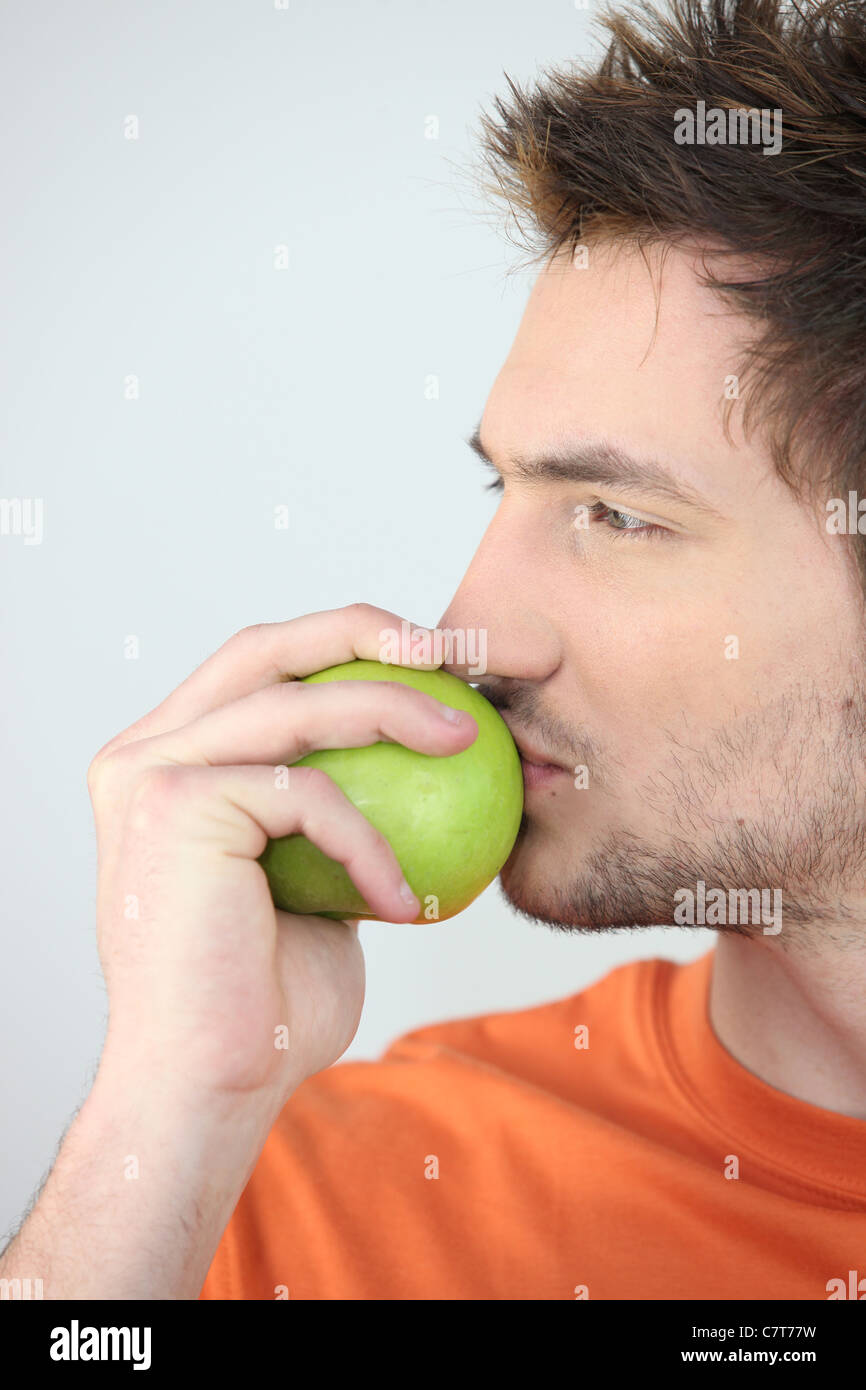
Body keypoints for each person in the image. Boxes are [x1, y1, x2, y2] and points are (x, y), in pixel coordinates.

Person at [2, 0, 866, 1301]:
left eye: (614, 515)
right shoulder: (306, 1201)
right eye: (499, 494)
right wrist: (176, 1104)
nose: (469, 625)